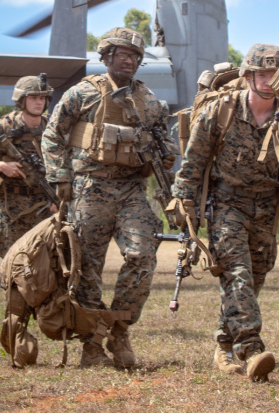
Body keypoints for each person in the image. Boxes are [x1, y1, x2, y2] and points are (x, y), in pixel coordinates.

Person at [172, 43, 279, 382]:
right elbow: (193, 164)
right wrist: (183, 203)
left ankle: (224, 344)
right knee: (236, 272)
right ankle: (251, 348)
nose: (269, 81)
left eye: (275, 74)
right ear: (248, 76)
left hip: (268, 205)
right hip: (228, 204)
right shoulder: (220, 111)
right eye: (262, 74)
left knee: (255, 275)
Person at [41, 27, 178, 369]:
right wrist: (60, 177)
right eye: (122, 55)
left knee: (142, 255)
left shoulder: (150, 102)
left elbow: (165, 142)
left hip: (132, 189)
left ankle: (119, 331)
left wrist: (166, 155)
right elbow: (52, 135)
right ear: (106, 57)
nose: (129, 61)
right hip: (90, 187)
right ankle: (91, 344)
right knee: (88, 268)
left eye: (135, 56)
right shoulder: (81, 93)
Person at [0, 75, 56, 258]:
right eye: (33, 98)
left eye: (42, 98)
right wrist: (2, 166)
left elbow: (63, 164)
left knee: (46, 259)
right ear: (21, 100)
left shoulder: (52, 127)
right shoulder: (4, 127)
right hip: (13, 207)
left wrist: (58, 199)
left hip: (45, 204)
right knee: (12, 257)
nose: (39, 102)